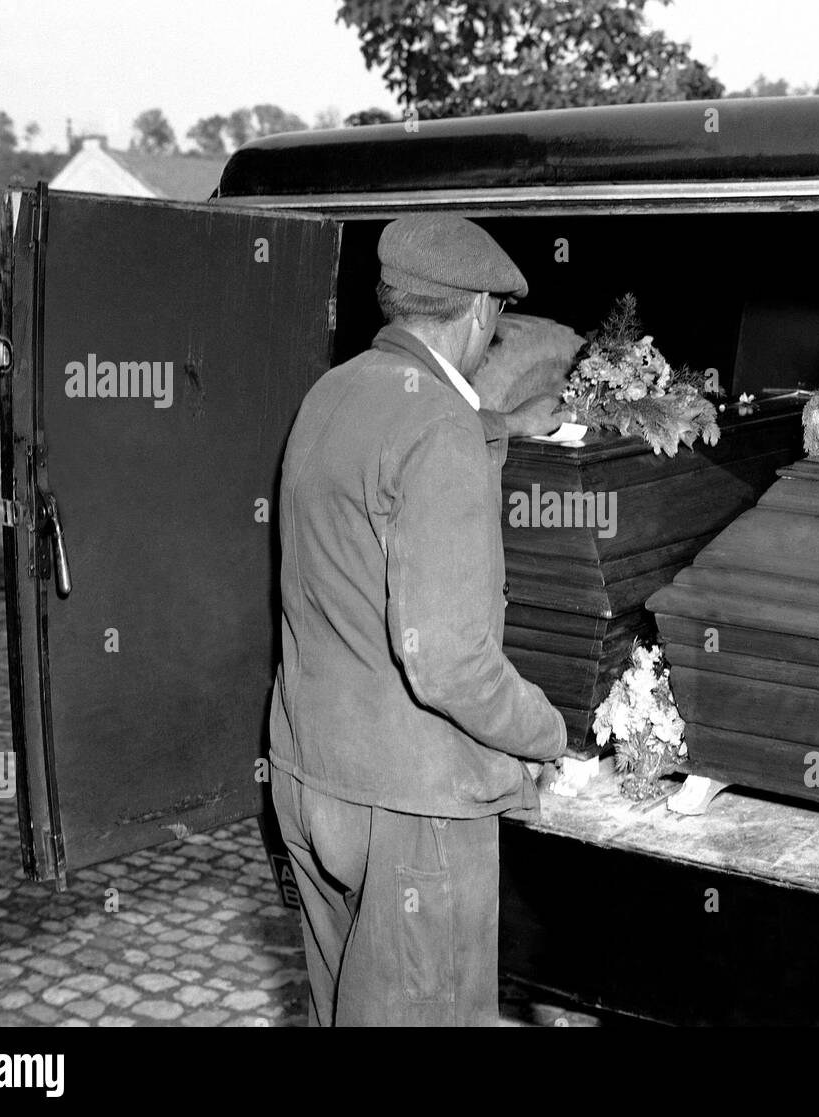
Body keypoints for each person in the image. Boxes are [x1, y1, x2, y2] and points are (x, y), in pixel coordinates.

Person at [268, 214, 569, 1026]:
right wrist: (545, 731)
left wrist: (502, 426)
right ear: (479, 313)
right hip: (411, 808)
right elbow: (445, 661)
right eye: (497, 324)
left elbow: (389, 459)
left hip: (311, 780)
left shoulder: (335, 391)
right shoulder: (438, 429)